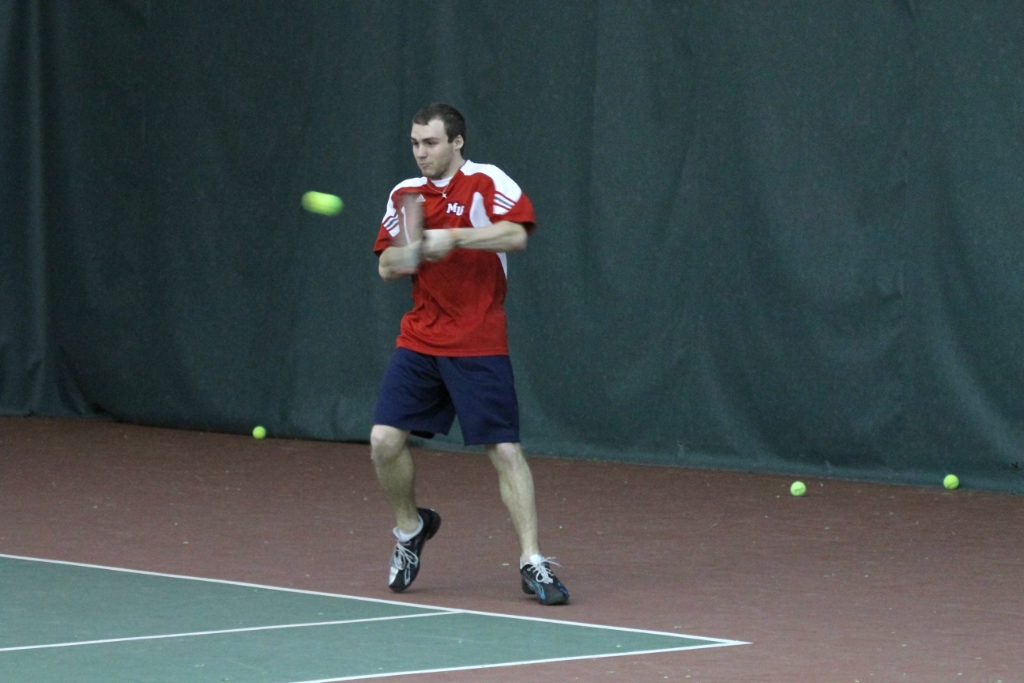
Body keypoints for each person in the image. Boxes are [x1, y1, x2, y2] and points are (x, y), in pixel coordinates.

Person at [370, 103, 569, 606]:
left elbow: (517, 233)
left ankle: (531, 561)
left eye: (431, 143)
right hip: (420, 338)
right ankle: (410, 530)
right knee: (383, 441)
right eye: (415, 144)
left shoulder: (486, 181)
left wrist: (453, 238)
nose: (421, 153)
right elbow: (387, 265)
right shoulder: (405, 194)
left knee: (504, 451)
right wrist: (414, 250)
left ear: (457, 142)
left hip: (479, 338)